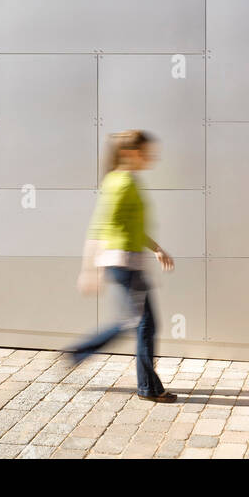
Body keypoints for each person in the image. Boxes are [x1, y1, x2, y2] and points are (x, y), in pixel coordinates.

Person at [64, 129, 176, 402]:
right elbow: (100, 227)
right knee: (144, 324)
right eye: (146, 152)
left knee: (138, 322)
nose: (151, 157)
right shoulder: (122, 182)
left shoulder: (124, 180)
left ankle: (83, 352)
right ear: (130, 153)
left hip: (129, 261)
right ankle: (148, 387)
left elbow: (133, 227)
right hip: (123, 262)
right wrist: (89, 270)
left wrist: (157, 249)